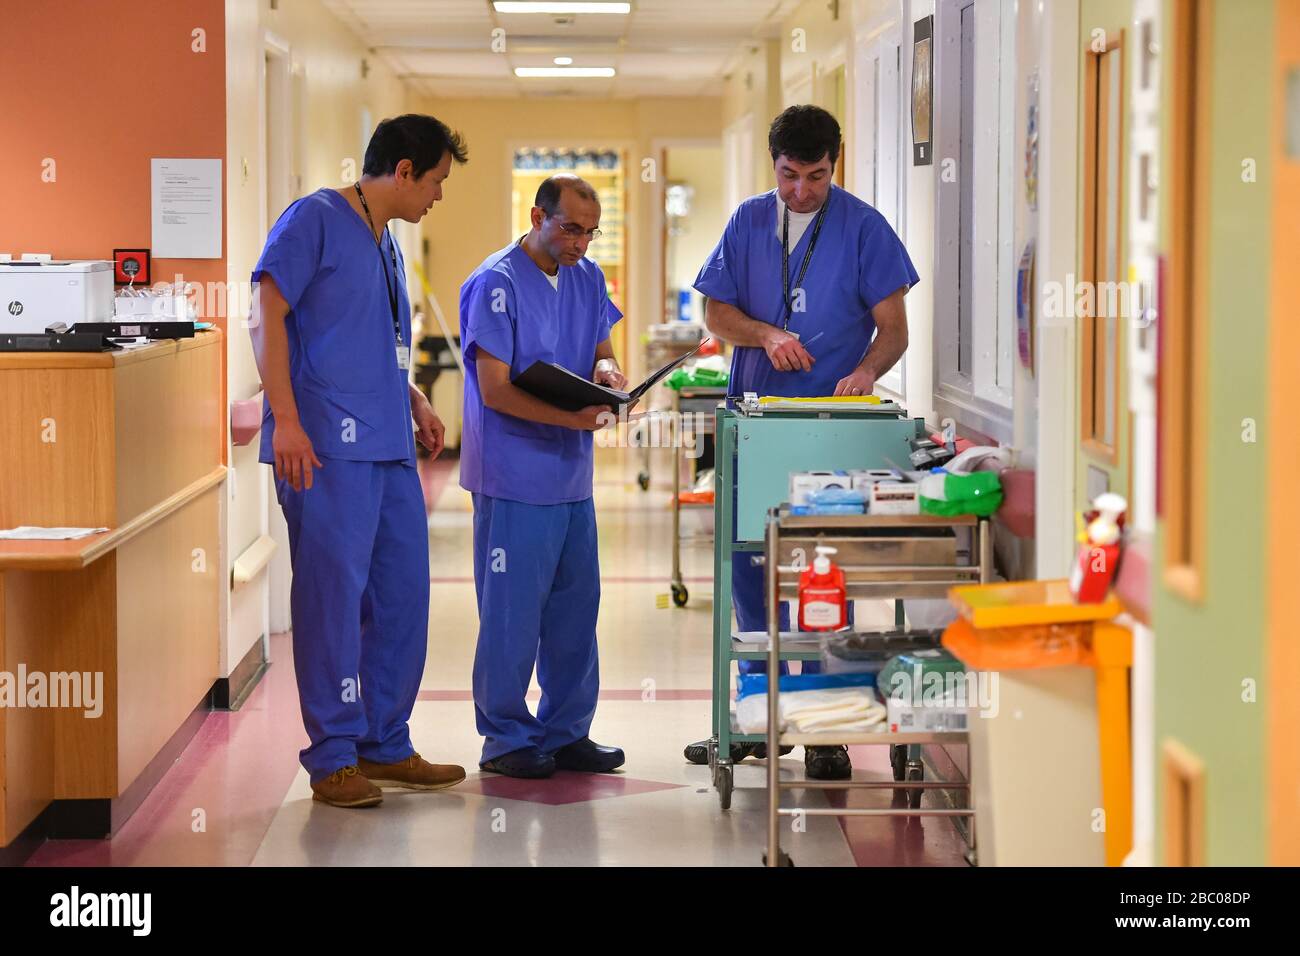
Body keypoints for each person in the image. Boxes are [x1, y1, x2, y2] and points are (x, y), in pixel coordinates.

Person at [683, 105, 919, 781]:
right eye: (790, 176)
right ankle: (757, 717)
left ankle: (828, 727)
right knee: (749, 570)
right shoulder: (748, 221)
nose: (801, 192)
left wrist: (867, 372)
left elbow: (894, 328)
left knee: (822, 572)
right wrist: (766, 335)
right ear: (774, 164)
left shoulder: (864, 227)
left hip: (828, 428)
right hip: (755, 423)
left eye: (816, 176)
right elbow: (716, 311)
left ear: (834, 164)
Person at [249, 114, 469, 808]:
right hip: (324, 447)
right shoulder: (314, 219)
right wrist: (285, 418)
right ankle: (333, 754)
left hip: (388, 444)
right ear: (403, 172)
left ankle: (384, 742)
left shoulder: (386, 242)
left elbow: (364, 337)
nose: (437, 195)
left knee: (402, 596)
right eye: (435, 181)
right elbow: (267, 314)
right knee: (331, 601)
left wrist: (412, 399)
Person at [459, 174, 627, 779]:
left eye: (590, 232)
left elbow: (601, 346)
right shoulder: (496, 284)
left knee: (575, 609)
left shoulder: (587, 277)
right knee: (512, 611)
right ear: (537, 215)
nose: (580, 242)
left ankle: (565, 731)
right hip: (512, 476)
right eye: (569, 228)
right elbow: (496, 390)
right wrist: (572, 417)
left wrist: (607, 371)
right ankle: (504, 738)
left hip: (570, 477)